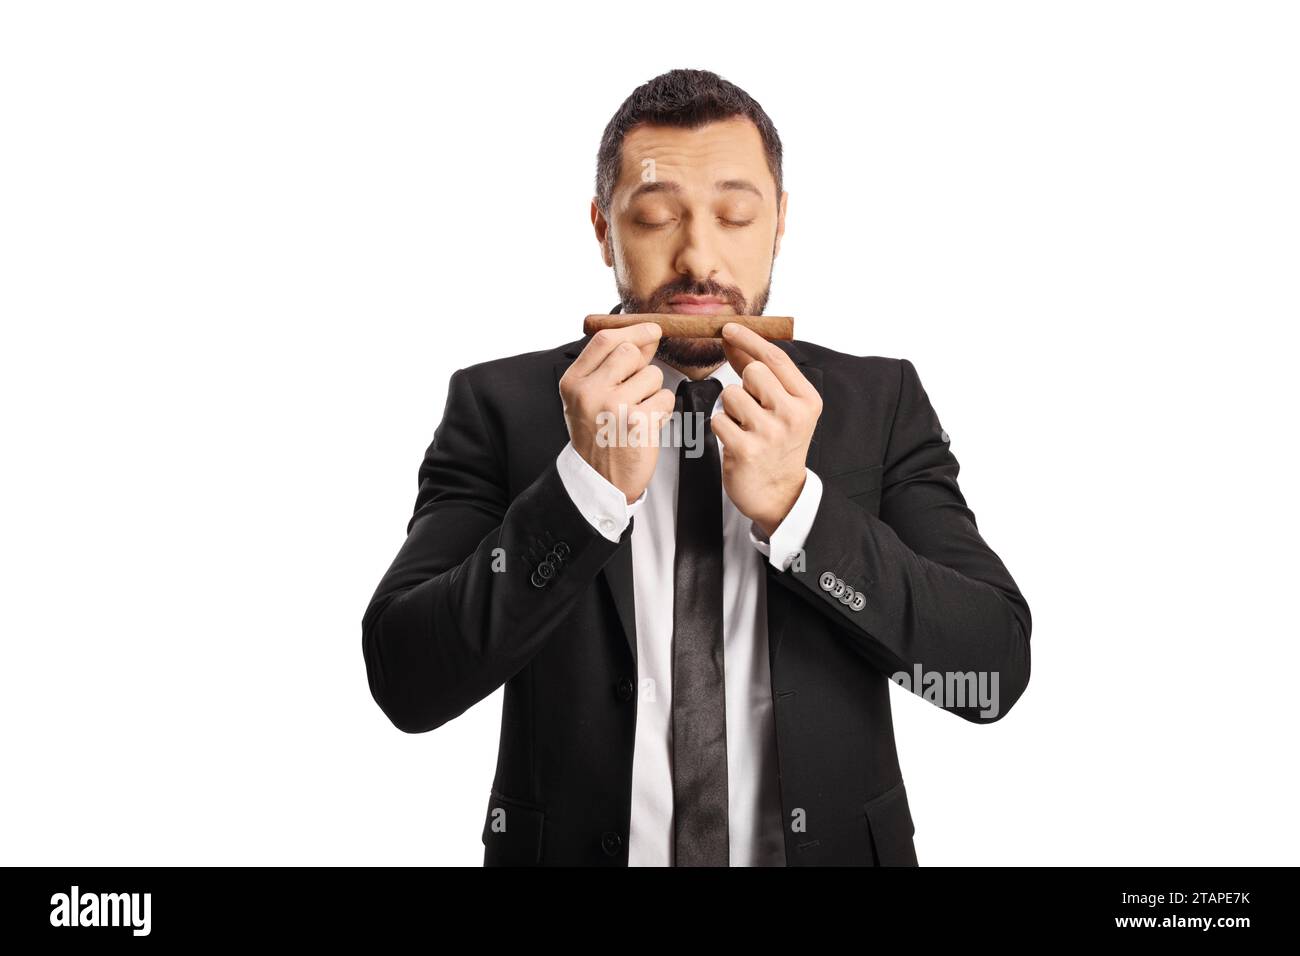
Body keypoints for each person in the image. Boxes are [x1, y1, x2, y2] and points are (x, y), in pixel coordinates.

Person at [361, 68, 1031, 866]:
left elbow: (990, 670)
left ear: (779, 222)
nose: (698, 257)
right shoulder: (499, 405)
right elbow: (408, 680)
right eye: (653, 217)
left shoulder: (878, 400)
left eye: (737, 215)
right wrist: (584, 493)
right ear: (605, 230)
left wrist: (800, 514)